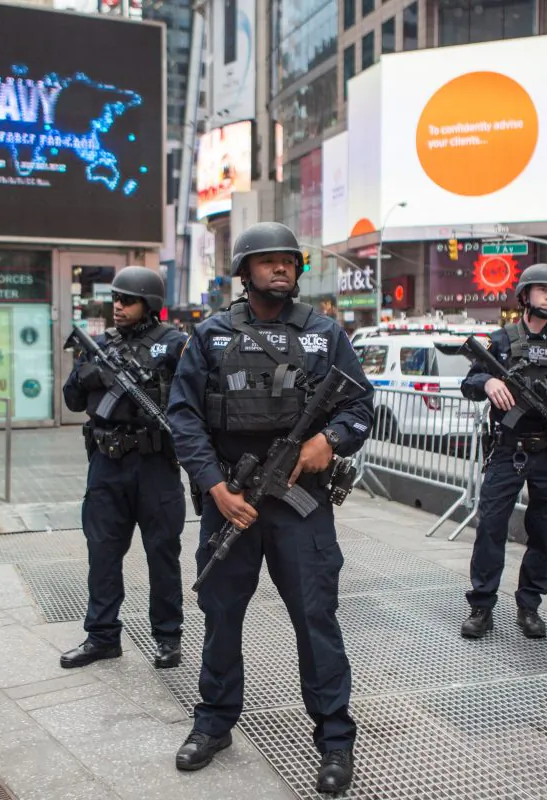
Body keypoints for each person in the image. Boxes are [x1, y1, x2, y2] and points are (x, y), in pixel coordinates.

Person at [166, 222, 374, 794]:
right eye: (268, 261)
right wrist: (213, 486)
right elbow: (182, 417)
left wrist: (326, 442)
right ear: (244, 271)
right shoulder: (208, 336)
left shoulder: (326, 334)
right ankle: (213, 722)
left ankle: (334, 738)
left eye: (289, 260)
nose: (281, 268)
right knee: (221, 614)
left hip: (300, 505)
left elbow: (361, 406)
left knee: (315, 617)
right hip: (232, 498)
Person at [59, 267, 189, 671]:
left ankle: (168, 637)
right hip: (106, 463)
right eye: (115, 299)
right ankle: (101, 636)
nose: (118, 307)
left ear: (149, 304)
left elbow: (193, 402)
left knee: (162, 554)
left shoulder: (175, 345)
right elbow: (72, 401)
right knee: (102, 552)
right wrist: (88, 372)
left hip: (155, 465)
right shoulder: (98, 345)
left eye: (127, 300)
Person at [459, 263, 547, 640]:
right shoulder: (500, 341)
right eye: (542, 290)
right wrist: (487, 382)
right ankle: (481, 606)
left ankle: (529, 606)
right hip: (508, 450)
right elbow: (468, 381)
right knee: (491, 528)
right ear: (525, 296)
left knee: (545, 532)